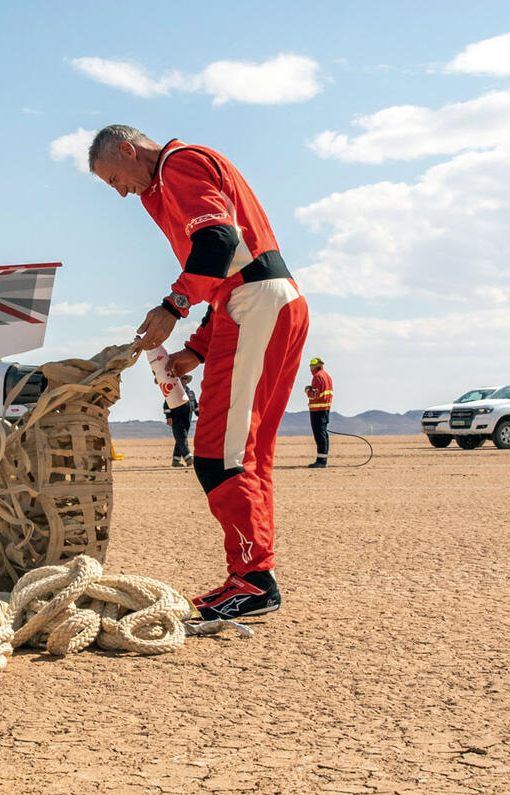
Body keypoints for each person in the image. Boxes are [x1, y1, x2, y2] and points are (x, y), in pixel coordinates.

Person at [88, 124, 308, 620]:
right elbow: (228, 268)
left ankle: (253, 581)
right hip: (256, 303)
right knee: (247, 454)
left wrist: (173, 304)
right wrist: (198, 349)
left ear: (129, 148)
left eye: (115, 178)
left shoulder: (178, 164)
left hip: (255, 303)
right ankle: (252, 575)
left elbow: (219, 242)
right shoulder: (167, 181)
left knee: (218, 454)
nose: (121, 191)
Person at [164, 373, 199, 467]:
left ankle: (176, 460)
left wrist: (202, 415)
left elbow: (196, 407)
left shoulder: (190, 393)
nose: (184, 380)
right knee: (182, 438)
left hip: (187, 419)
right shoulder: (173, 391)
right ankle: (188, 458)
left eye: (185, 378)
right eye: (182, 378)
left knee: (180, 439)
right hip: (176, 418)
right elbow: (166, 404)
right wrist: (169, 417)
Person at [305, 357, 333, 468]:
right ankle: (322, 459)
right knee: (323, 434)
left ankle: (321, 461)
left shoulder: (317, 377)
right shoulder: (327, 376)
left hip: (317, 410)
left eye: (311, 366)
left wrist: (308, 390)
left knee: (320, 435)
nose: (310, 368)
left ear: (316, 367)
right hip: (325, 409)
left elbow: (315, 395)